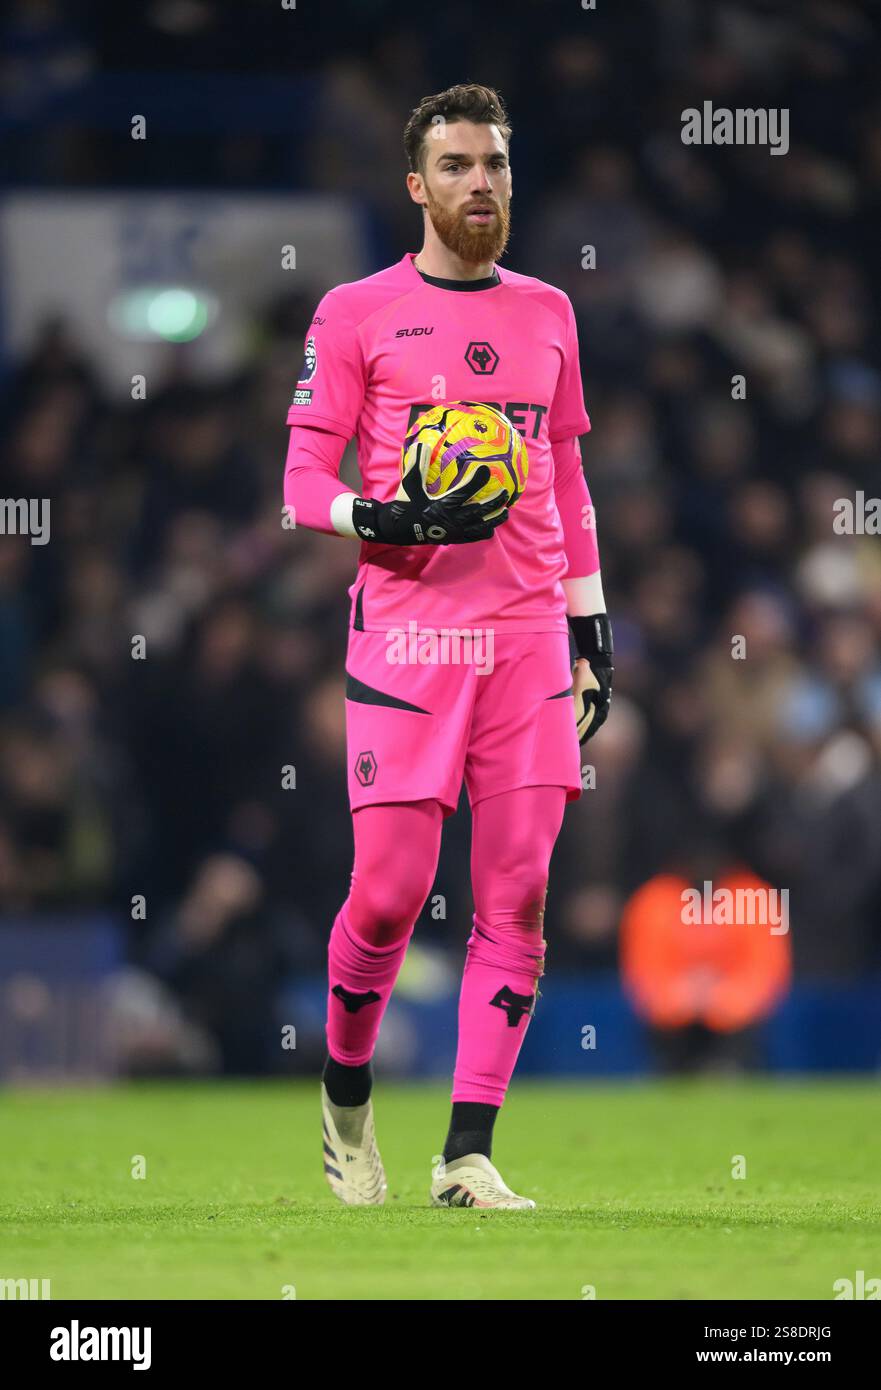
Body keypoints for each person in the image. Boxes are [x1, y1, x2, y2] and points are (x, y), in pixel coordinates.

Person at [283, 84, 612, 1209]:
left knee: (513, 893)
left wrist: (591, 624)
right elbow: (297, 486)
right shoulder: (355, 312)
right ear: (416, 186)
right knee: (387, 894)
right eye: (460, 165)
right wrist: (378, 520)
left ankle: (466, 1153)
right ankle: (344, 1100)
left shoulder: (549, 313)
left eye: (497, 165)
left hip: (525, 639)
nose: (483, 183)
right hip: (408, 635)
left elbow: (564, 479)